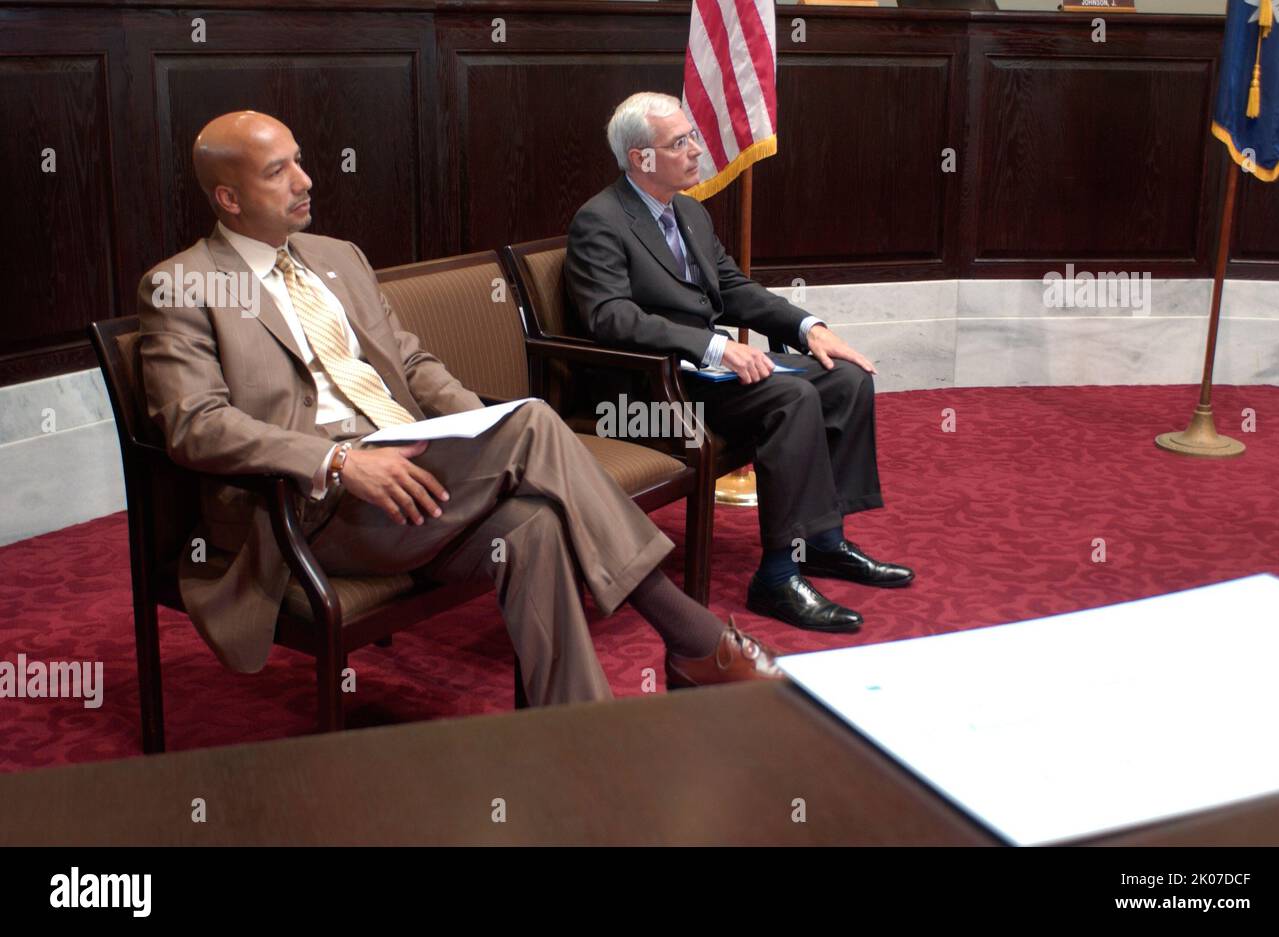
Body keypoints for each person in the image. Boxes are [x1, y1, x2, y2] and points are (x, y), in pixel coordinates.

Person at [137, 110, 781, 707]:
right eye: (278, 172)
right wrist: (336, 460)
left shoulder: (337, 257)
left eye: (300, 161)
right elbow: (197, 424)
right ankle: (692, 637)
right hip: (308, 508)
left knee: (531, 525)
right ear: (228, 197)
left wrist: (484, 428)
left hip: (414, 473)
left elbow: (411, 365)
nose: (305, 181)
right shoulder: (183, 284)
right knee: (531, 425)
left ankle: (580, 731)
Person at [565, 92, 915, 634]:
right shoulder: (601, 221)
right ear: (641, 158)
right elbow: (610, 318)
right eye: (679, 142)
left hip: (704, 374)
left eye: (692, 136)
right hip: (648, 390)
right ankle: (776, 577)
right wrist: (712, 346)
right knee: (792, 395)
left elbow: (733, 288)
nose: (696, 150)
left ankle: (823, 541)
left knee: (844, 377)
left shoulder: (690, 211)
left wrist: (807, 327)